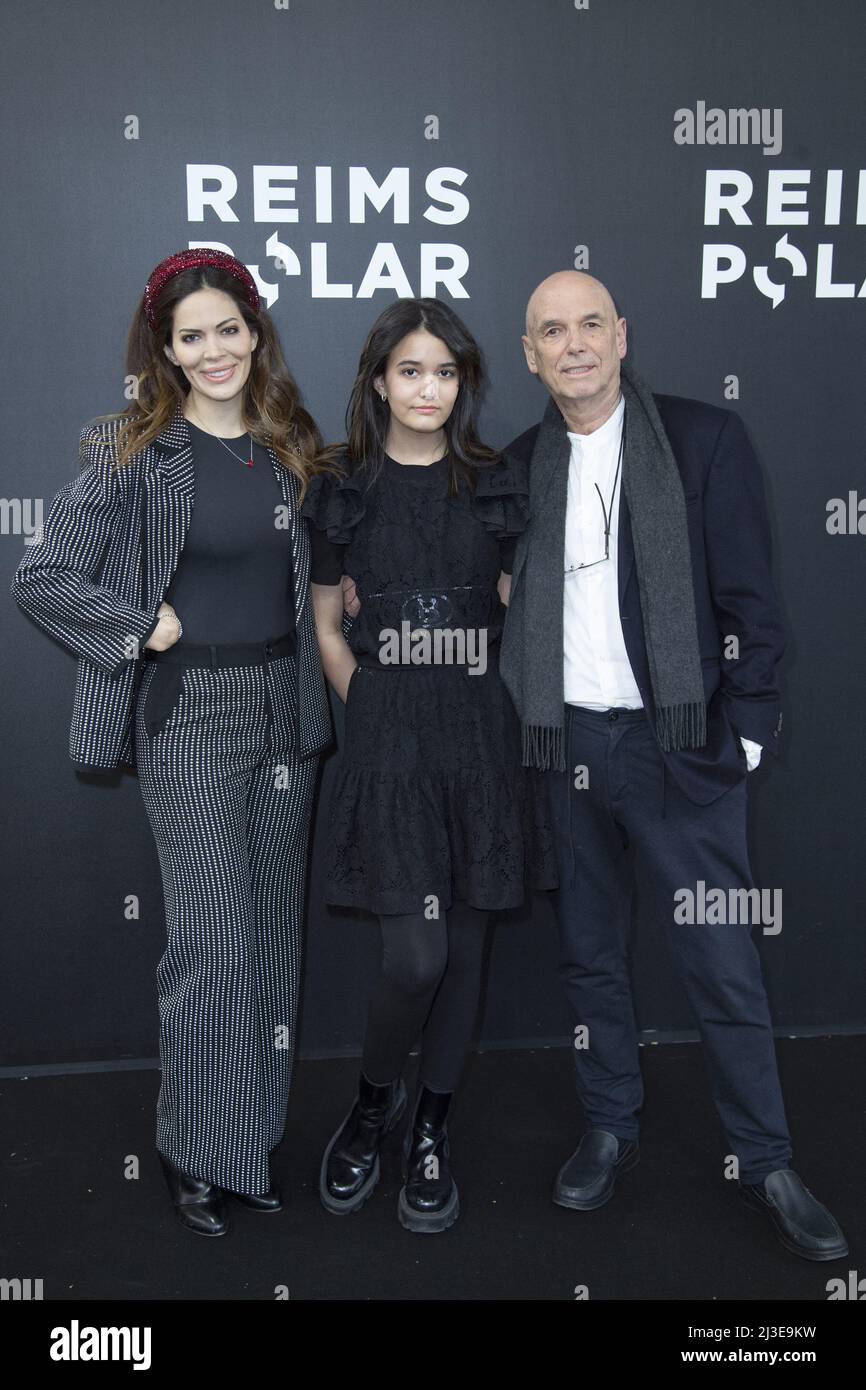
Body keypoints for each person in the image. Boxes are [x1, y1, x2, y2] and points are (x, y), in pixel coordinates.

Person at [499, 269, 847, 1262]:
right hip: (566, 745)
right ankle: (610, 1125)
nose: (572, 344)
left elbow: (753, 604)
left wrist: (744, 738)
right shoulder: (518, 465)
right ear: (529, 354)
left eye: (589, 324)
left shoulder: (702, 440)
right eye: (551, 331)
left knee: (721, 962)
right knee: (590, 953)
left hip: (680, 747)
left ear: (621, 335)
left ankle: (766, 1159)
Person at [11, 248, 331, 1238]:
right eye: (191, 336)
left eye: (228, 329)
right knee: (213, 943)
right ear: (166, 349)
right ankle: (194, 1149)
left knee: (271, 938)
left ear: (255, 333)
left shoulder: (289, 442)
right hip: (188, 715)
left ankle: (249, 1143)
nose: (213, 350)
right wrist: (136, 624)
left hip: (285, 713)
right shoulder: (135, 451)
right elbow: (42, 575)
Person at [303, 297, 556, 1233]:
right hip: (388, 740)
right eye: (410, 371)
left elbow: (514, 606)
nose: (428, 389)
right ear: (379, 381)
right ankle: (374, 1104)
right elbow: (327, 625)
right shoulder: (341, 485)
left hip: (481, 736)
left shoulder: (495, 482)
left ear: (463, 384)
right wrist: (368, 704)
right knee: (417, 954)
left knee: (468, 950)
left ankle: (431, 1129)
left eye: (445, 373)